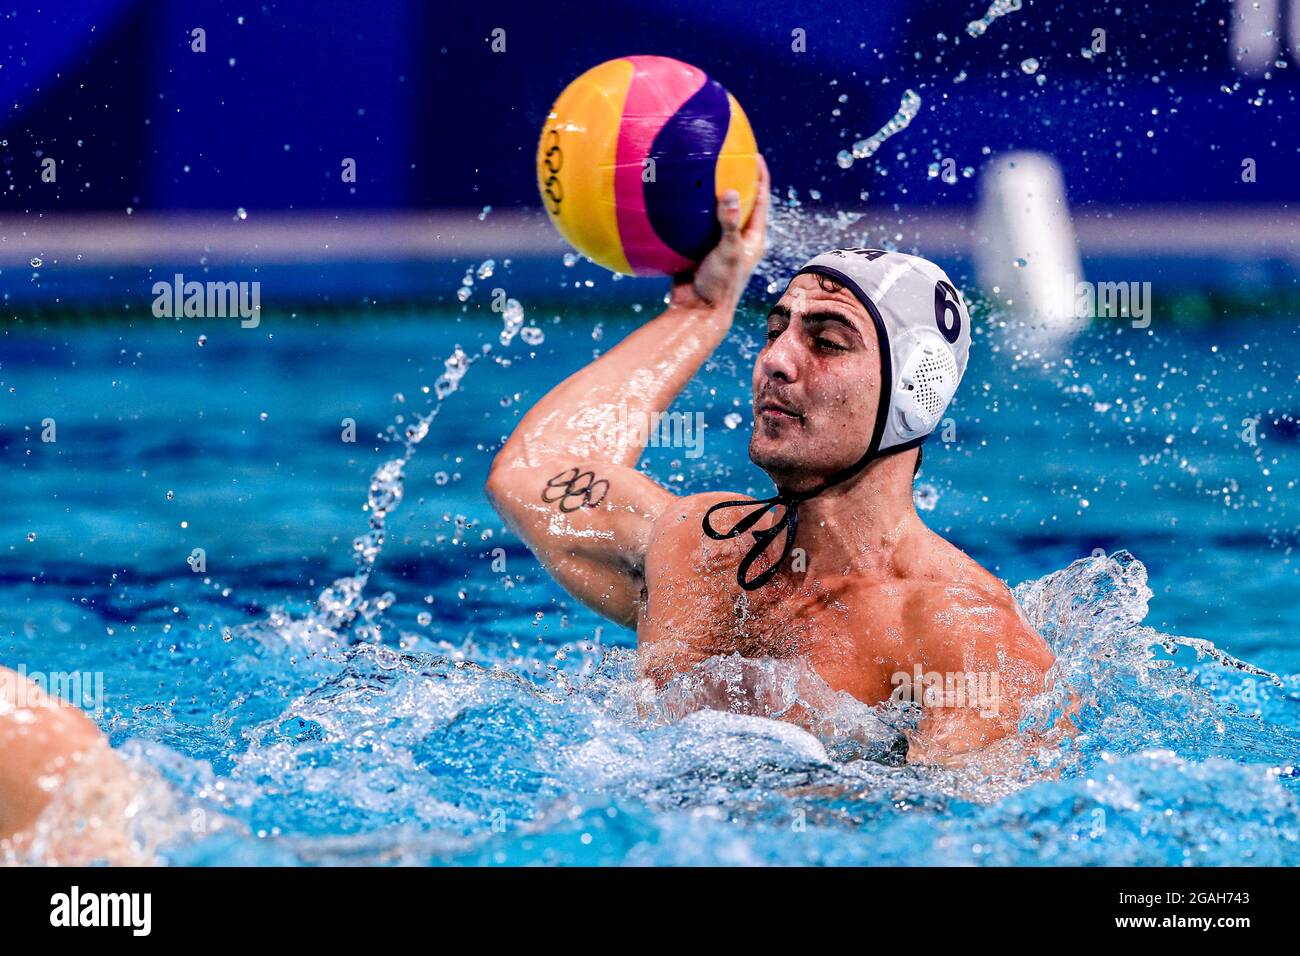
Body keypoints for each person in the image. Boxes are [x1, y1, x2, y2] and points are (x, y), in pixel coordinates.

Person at [486, 156, 1056, 762]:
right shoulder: (697, 550)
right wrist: (699, 313)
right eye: (775, 330)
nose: (775, 361)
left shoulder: (960, 637)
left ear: (915, 392)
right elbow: (532, 470)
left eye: (827, 341)